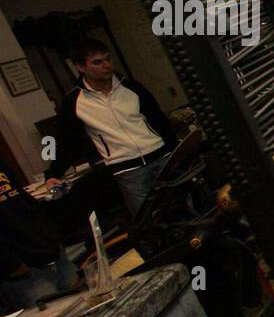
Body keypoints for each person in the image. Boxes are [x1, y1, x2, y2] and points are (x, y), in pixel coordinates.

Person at [45, 38, 178, 216]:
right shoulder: (73, 102)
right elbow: (67, 141)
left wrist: (176, 150)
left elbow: (159, 120)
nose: (106, 65)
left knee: (181, 205)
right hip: (128, 170)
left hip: (163, 157)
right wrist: (53, 173)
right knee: (148, 219)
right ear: (81, 67)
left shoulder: (131, 87)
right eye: (98, 62)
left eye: (108, 59)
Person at [0, 160, 78, 312]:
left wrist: (51, 234)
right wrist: (11, 264)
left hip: (51, 251)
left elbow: (26, 202)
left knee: (85, 307)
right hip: (24, 271)